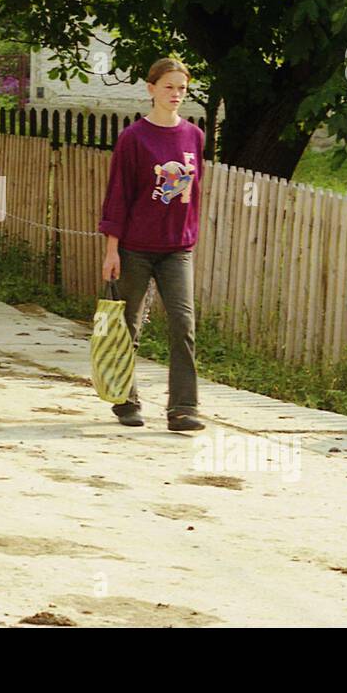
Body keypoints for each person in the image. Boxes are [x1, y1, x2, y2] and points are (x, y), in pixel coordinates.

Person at [98, 57, 205, 431]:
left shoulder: (194, 136)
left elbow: (195, 193)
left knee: (183, 322)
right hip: (134, 248)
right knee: (127, 324)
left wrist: (188, 234)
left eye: (181, 88)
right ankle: (126, 401)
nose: (175, 95)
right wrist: (112, 250)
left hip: (177, 249)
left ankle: (183, 408)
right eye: (168, 87)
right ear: (151, 89)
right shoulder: (133, 138)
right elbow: (118, 196)